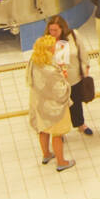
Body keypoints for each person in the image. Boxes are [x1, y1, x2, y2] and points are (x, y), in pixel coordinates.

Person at [26, 35, 75, 172]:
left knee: (43, 129)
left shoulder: (34, 60)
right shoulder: (51, 71)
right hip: (52, 107)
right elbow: (60, 91)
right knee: (57, 133)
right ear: (48, 49)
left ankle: (46, 154)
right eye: (53, 46)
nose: (56, 47)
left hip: (38, 102)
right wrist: (64, 79)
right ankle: (61, 162)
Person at [46, 15, 93, 136]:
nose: (53, 33)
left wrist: (85, 69)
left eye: (56, 30)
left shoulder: (73, 36)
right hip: (57, 82)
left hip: (74, 77)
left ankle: (80, 124)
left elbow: (82, 52)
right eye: (51, 30)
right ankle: (59, 132)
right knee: (59, 107)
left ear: (63, 28)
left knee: (76, 102)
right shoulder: (47, 41)